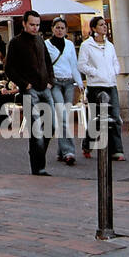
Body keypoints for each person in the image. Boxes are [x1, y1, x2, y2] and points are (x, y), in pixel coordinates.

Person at [3, 9, 54, 175]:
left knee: (51, 125)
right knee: (36, 128)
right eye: (32, 24)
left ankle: (37, 154)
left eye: (37, 25)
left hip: (44, 88)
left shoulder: (40, 40)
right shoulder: (16, 42)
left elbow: (48, 62)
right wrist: (24, 84)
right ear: (24, 24)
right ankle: (39, 167)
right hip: (30, 90)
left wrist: (50, 82)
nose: (35, 28)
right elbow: (9, 68)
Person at [78, 15, 125, 161]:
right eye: (101, 25)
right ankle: (88, 144)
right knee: (97, 120)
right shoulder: (87, 46)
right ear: (93, 28)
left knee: (115, 118)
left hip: (111, 85)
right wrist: (95, 72)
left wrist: (114, 71)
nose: (104, 27)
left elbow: (115, 62)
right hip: (95, 87)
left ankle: (117, 150)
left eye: (105, 24)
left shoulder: (110, 45)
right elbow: (81, 65)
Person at [44, 16, 81, 165]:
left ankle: (61, 150)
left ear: (66, 30)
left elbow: (74, 64)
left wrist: (79, 82)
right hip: (55, 83)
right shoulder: (46, 45)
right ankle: (69, 152)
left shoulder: (70, 44)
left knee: (64, 117)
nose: (60, 30)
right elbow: (44, 65)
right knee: (63, 116)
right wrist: (47, 81)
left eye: (62, 28)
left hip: (69, 83)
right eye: (57, 27)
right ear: (52, 29)